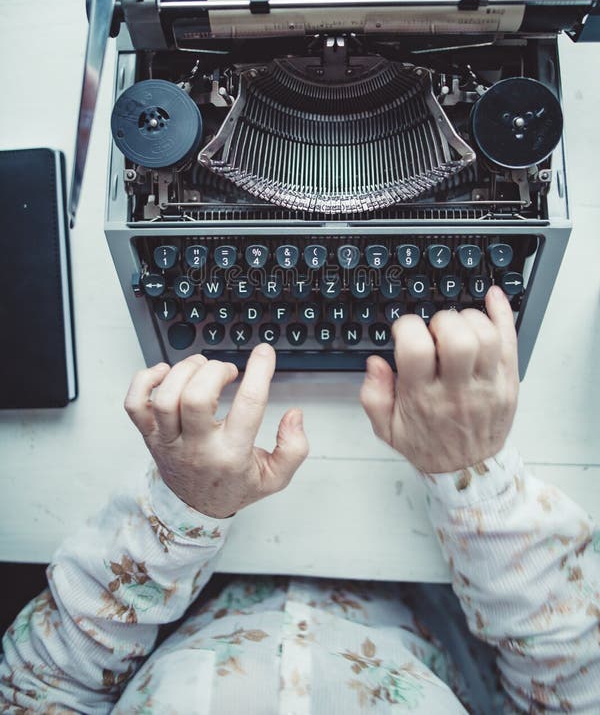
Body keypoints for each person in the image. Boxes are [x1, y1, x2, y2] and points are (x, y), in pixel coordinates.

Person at [1, 286, 598, 713]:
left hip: (191, 605)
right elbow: (577, 689)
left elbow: (36, 688)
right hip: (441, 623)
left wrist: (183, 508)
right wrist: (475, 477)